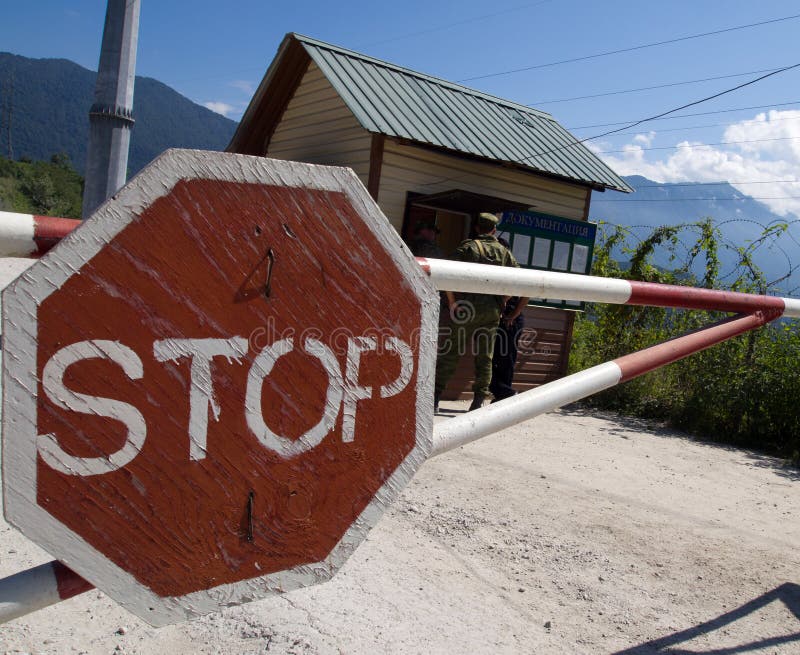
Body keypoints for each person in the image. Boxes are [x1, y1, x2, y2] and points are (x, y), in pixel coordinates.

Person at [434, 212, 520, 412]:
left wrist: (452, 302)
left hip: (466, 309)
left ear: (477, 228)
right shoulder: (504, 252)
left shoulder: (468, 247)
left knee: (451, 353)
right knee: (485, 357)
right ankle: (478, 401)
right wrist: (503, 301)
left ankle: (435, 398)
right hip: (491, 312)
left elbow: (447, 273)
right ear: (494, 230)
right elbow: (519, 279)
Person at [489, 238, 529, 402]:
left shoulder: (513, 269)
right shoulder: (496, 269)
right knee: (494, 357)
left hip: (510, 319)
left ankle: (506, 393)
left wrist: (512, 315)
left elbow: (526, 293)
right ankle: (501, 394)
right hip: (499, 317)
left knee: (506, 357)